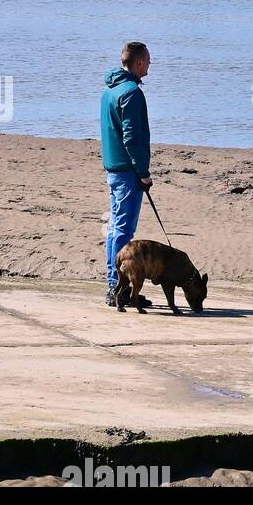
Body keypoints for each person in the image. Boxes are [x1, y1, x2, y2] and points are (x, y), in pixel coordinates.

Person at [101, 41, 153, 307]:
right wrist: (143, 172)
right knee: (122, 230)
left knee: (115, 229)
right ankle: (117, 287)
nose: (151, 65)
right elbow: (132, 137)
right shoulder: (131, 92)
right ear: (139, 62)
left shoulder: (110, 90)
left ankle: (115, 284)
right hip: (126, 170)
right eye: (148, 60)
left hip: (114, 167)